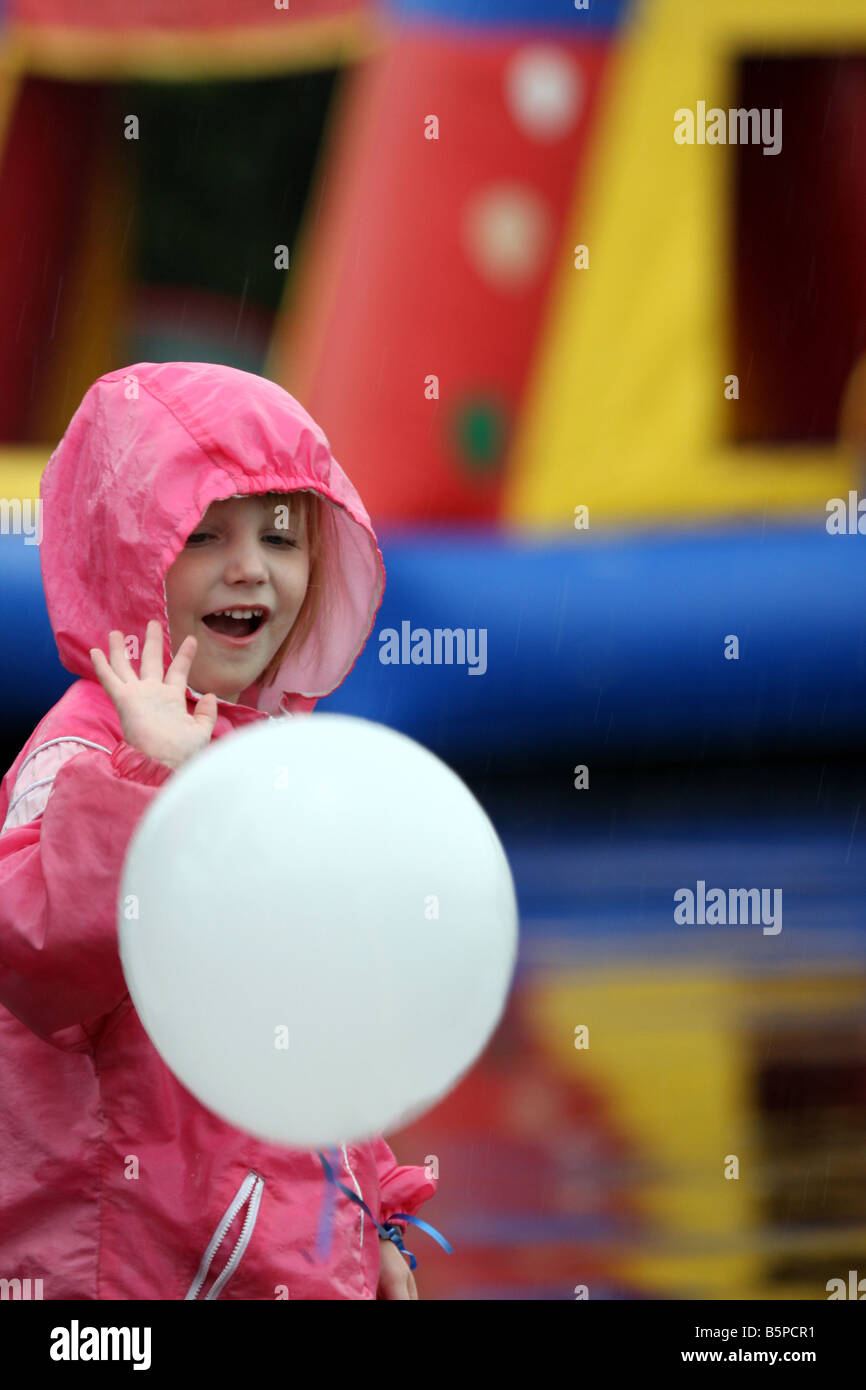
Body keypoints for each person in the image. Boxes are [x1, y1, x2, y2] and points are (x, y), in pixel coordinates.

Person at [0, 361, 437, 1300]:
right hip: (126, 1273)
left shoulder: (277, 760)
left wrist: (378, 1216)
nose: (249, 567)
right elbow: (42, 961)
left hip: (281, 1257)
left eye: (281, 537)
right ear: (125, 550)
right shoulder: (80, 754)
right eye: (201, 534)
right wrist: (149, 778)